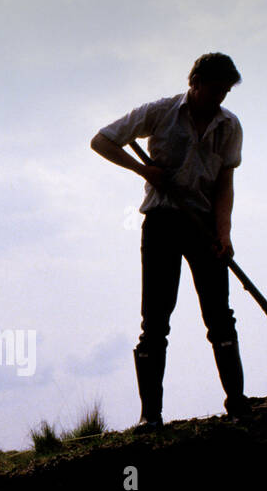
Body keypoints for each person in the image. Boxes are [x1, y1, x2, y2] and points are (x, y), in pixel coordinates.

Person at [91, 52, 253, 426]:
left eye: (226, 92)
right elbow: (102, 140)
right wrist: (143, 169)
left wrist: (224, 233)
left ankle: (238, 403)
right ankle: (151, 416)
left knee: (220, 318)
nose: (220, 98)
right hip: (163, 219)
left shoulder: (229, 126)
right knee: (155, 321)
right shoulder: (161, 112)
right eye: (214, 90)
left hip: (204, 226)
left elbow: (225, 183)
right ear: (194, 83)